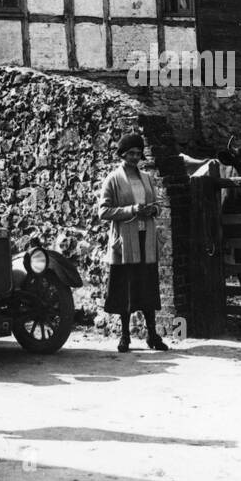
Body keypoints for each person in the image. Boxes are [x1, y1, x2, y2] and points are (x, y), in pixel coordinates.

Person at [97, 132, 168, 353]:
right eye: (131, 153)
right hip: (125, 241)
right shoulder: (113, 179)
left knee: (147, 288)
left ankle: (152, 335)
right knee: (126, 290)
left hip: (145, 238)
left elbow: (157, 204)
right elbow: (103, 211)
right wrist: (132, 210)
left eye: (138, 153)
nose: (135, 157)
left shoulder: (146, 177)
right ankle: (125, 336)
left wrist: (153, 209)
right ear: (122, 154)